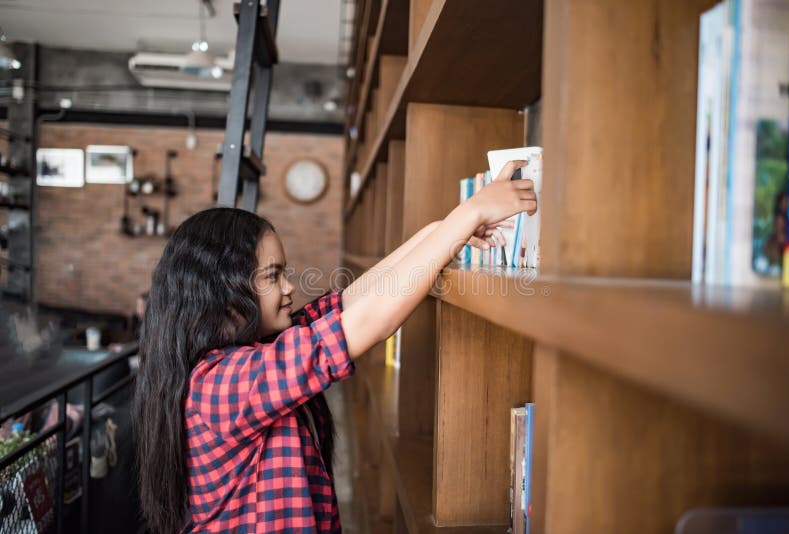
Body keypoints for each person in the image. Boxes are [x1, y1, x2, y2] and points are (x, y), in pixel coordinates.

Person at [133, 160, 536, 533]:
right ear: (223, 295)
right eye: (273, 276)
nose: (290, 287)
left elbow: (355, 301)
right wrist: (468, 216)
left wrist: (445, 228)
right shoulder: (218, 385)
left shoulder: (262, 348)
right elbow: (368, 323)